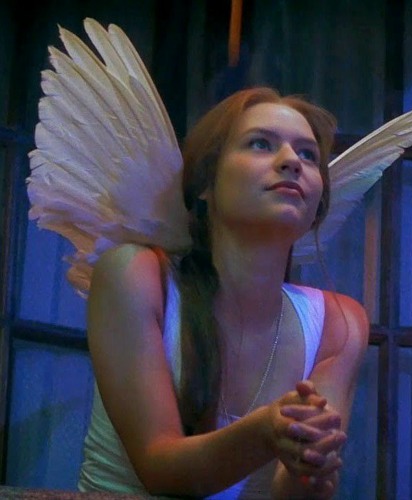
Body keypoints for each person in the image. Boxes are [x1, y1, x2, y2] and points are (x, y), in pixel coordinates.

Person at [77, 86, 369, 499]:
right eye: (261, 144)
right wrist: (266, 431)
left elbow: (292, 490)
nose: (291, 161)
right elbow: (160, 468)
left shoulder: (341, 323)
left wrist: (311, 469)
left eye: (308, 155)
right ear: (205, 183)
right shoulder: (136, 275)